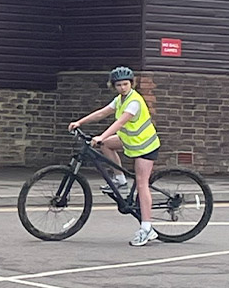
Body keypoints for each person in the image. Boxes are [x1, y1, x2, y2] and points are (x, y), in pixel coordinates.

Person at [68, 66, 162, 246]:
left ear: (131, 83)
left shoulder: (134, 102)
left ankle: (147, 228)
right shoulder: (120, 100)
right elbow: (102, 113)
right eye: (118, 85)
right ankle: (120, 180)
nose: (122, 88)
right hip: (130, 141)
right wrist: (80, 122)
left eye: (125, 84)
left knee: (142, 184)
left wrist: (101, 136)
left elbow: (120, 122)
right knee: (106, 146)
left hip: (145, 146)